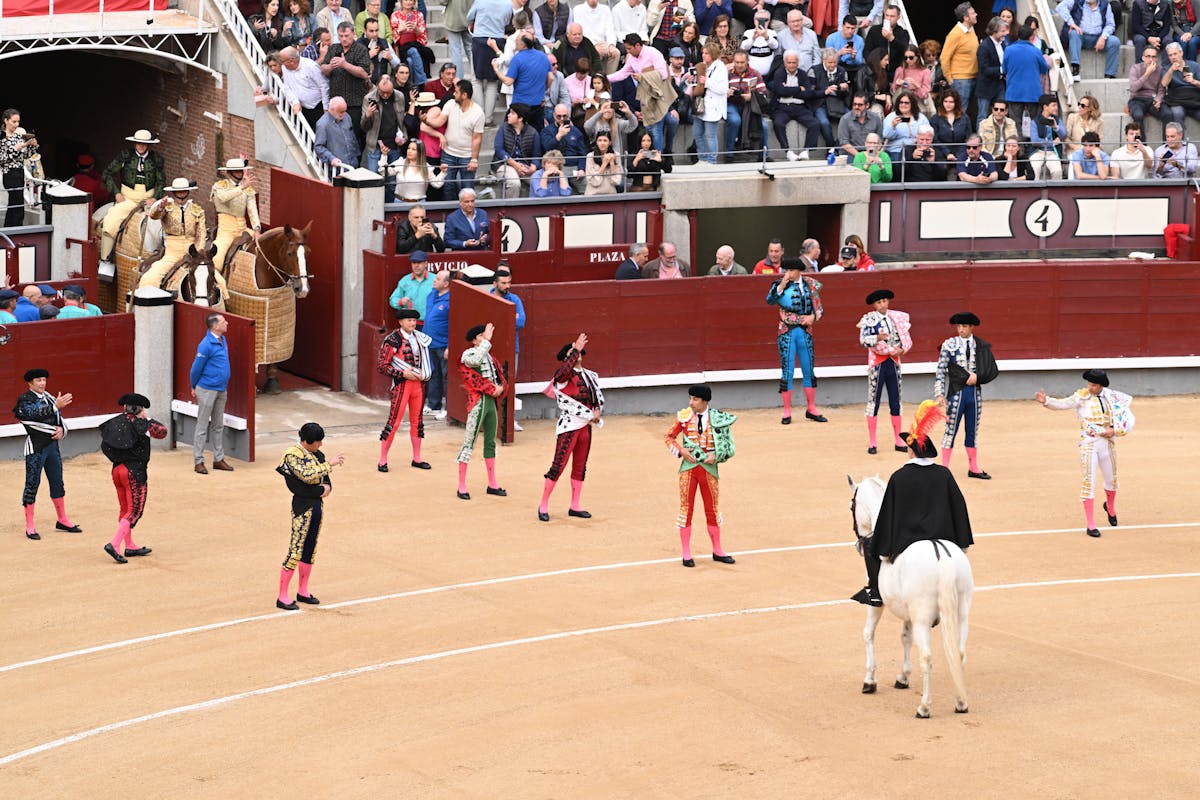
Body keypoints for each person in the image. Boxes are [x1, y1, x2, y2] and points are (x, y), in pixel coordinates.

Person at [850, 399, 974, 607]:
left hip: (907, 541)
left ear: (911, 450)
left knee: (870, 544)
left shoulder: (900, 477)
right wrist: (961, 543)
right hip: (945, 538)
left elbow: (889, 516)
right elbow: (959, 508)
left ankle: (875, 592)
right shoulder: (943, 474)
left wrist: (882, 547)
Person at [1036, 369, 1133, 538]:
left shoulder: (1113, 397)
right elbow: (1063, 404)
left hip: (1108, 443)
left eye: (1093, 385)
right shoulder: (1081, 396)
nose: (1089, 387)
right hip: (1088, 442)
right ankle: (1091, 524)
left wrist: (1116, 430)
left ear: (1101, 385)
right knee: (1088, 481)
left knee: (1112, 480)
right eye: (1088, 384)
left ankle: (1110, 506)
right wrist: (1047, 401)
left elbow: (1125, 416)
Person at [663, 384, 737, 568]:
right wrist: (680, 450)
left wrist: (717, 455)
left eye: (695, 399)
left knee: (712, 509)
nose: (691, 402)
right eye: (690, 398)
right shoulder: (684, 417)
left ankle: (717, 550)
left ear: (705, 401)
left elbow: (729, 446)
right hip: (688, 469)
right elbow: (668, 437)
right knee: (686, 509)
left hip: (709, 470)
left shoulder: (719, 419)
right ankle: (686, 554)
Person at [275, 422, 345, 609]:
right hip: (302, 506)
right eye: (318, 442)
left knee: (310, 548)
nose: (320, 445)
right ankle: (282, 596)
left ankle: (303, 591)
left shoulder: (317, 454)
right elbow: (304, 479)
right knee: (296, 549)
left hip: (316, 506)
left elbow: (326, 484)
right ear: (307, 441)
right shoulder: (291, 455)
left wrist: (324, 487)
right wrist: (326, 470)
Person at [537, 333, 605, 521]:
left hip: (586, 427)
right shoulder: (563, 377)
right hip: (569, 427)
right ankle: (543, 505)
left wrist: (597, 411)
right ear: (567, 358)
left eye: (579, 352)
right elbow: (562, 373)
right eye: (573, 353)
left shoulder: (590, 375)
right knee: (558, 466)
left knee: (580, 466)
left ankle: (575, 505)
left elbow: (596, 397)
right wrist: (574, 350)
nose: (578, 354)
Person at [99, 392, 168, 564]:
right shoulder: (142, 425)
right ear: (140, 409)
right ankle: (114, 544)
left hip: (117, 470)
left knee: (124, 510)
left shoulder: (114, 422)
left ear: (124, 408)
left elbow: (105, 446)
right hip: (134, 472)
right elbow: (162, 432)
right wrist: (146, 419)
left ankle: (129, 545)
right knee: (134, 511)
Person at [14, 368, 81, 540]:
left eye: (44, 380)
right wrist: (54, 410)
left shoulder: (50, 397)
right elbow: (30, 417)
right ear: (30, 383)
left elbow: (60, 419)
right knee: (32, 484)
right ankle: (30, 526)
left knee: (57, 481)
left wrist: (62, 430)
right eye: (38, 380)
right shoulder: (25, 399)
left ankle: (62, 519)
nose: (42, 383)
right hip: (35, 448)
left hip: (52, 447)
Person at [767, 258, 826, 424]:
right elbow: (770, 300)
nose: (787, 274)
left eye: (790, 271)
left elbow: (819, 308)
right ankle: (787, 411)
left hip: (806, 331)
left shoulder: (810, 284)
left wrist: (813, 317)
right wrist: (781, 286)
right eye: (785, 270)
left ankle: (811, 408)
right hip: (787, 331)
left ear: (798, 271)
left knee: (808, 369)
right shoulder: (779, 285)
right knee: (788, 370)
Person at [934, 311, 992, 478]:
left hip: (974, 394)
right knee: (950, 430)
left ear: (971, 327)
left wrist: (978, 377)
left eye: (964, 326)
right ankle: (944, 469)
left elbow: (988, 369)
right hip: (956, 394)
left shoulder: (980, 346)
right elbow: (940, 371)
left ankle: (973, 467)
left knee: (972, 430)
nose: (960, 330)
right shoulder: (948, 345)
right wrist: (939, 394)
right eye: (958, 326)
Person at [377, 308, 433, 472]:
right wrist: (402, 373)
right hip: (402, 385)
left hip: (418, 385)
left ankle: (417, 458)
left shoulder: (419, 338)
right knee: (394, 422)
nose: (412, 323)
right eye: (409, 320)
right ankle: (382, 460)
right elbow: (382, 366)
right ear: (401, 322)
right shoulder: (392, 340)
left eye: (414, 321)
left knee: (418, 422)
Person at [99, 129, 166, 266]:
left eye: (144, 144)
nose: (141, 146)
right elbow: (107, 174)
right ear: (134, 143)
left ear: (149, 145)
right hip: (128, 198)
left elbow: (161, 182)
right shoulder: (125, 156)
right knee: (111, 221)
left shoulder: (156, 159)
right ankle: (105, 260)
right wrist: (117, 193)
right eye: (138, 143)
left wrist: (155, 197)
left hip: (149, 200)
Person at [457, 322, 508, 499]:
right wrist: (486, 341)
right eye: (480, 337)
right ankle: (462, 486)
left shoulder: (489, 356)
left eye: (483, 336)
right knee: (469, 441)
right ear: (474, 340)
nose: (484, 339)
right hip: (478, 401)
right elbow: (475, 361)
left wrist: (500, 387)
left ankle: (492, 484)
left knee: (490, 442)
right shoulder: (468, 354)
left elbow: (496, 375)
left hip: (491, 401)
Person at [856, 289, 911, 454]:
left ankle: (898, 440)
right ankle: (873, 442)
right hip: (877, 365)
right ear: (874, 305)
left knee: (896, 401)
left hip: (893, 363)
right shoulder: (869, 319)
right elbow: (863, 340)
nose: (882, 305)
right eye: (879, 302)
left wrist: (902, 350)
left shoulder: (897, 318)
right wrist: (878, 338)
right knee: (874, 402)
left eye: (884, 301)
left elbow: (906, 339)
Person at [140, 177, 208, 289]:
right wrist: (160, 207)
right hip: (171, 254)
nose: (181, 194)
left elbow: (201, 234)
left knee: (219, 281)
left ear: (188, 192)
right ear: (173, 192)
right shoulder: (166, 207)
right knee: (151, 277)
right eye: (178, 192)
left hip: (193, 253)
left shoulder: (197, 210)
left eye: (184, 191)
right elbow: (154, 216)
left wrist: (197, 253)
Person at [190, 312, 234, 475]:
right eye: (223, 321)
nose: (227, 323)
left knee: (218, 424)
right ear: (215, 326)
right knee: (202, 425)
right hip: (207, 389)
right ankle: (198, 461)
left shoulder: (222, 340)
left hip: (221, 388)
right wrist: (193, 385)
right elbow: (195, 368)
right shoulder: (206, 344)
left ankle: (218, 459)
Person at [320, 22, 373, 152]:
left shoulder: (360, 49)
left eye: (347, 35)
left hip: (354, 102)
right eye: (341, 36)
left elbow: (364, 73)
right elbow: (323, 68)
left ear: (353, 34)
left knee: (354, 135)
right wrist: (331, 67)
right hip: (336, 102)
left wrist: (345, 64)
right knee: (336, 136)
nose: (343, 39)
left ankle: (356, 164)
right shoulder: (333, 49)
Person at [768, 50, 822, 160]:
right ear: (785, 63)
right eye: (789, 62)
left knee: (815, 124)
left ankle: (806, 151)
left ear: (798, 63)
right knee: (778, 123)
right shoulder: (779, 73)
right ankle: (788, 152)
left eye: (794, 62)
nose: (792, 65)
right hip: (783, 107)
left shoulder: (802, 74)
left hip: (800, 107)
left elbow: (808, 93)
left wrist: (788, 90)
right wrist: (798, 89)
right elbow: (780, 91)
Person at [1054, 0, 1119, 80]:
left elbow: (1110, 24)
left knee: (1114, 41)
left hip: (1098, 38)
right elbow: (1060, 7)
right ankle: (1075, 69)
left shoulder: (1105, 5)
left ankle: (1109, 75)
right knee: (1074, 33)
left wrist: (1103, 37)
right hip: (1081, 36)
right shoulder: (1077, 1)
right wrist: (1071, 23)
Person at [1002, 24, 1050, 130]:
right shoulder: (1036, 51)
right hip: (1033, 92)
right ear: (1031, 36)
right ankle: (1033, 144)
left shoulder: (1009, 50)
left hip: (1014, 92)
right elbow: (1044, 69)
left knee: (1015, 124)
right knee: (1034, 123)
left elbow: (1004, 69)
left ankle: (1018, 146)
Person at [691, 41, 729, 164]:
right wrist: (691, 80)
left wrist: (707, 82)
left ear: (713, 54)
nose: (703, 55)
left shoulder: (721, 68)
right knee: (697, 133)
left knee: (710, 135)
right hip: (700, 104)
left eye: (706, 53)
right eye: (703, 53)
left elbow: (723, 89)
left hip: (713, 107)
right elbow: (697, 85)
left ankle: (712, 161)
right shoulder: (702, 66)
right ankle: (702, 158)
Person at [424, 269, 451, 419]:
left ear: (446, 283)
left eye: (438, 279)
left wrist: (450, 346)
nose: (434, 280)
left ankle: (449, 408)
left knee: (446, 376)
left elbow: (454, 325)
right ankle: (434, 405)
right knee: (434, 374)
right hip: (430, 343)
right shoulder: (432, 295)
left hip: (443, 345)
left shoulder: (451, 300)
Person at [2, 109, 37, 227]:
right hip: (9, 173)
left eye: (18, 122)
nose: (16, 125)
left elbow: (25, 155)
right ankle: (16, 232)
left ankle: (9, 230)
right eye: (13, 122)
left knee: (14, 204)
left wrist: (32, 146)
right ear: (6, 121)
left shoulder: (18, 136)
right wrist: (17, 149)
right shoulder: (2, 137)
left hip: (19, 172)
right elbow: (2, 158)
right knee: (17, 205)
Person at [941, 2, 979, 109]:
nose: (976, 14)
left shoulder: (971, 29)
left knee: (968, 111)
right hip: (960, 80)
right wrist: (949, 79)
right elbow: (944, 57)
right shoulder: (955, 34)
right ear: (966, 18)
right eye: (973, 13)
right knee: (960, 111)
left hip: (973, 77)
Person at [974, 16, 1008, 128]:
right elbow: (984, 69)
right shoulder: (984, 47)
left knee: (1002, 114)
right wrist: (1002, 70)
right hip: (986, 86)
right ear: (994, 31)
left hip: (1000, 85)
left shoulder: (1003, 44)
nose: (1005, 34)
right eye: (1002, 31)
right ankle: (980, 142)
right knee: (983, 116)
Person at [1127, 45, 1166, 132]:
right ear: (1143, 58)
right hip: (1137, 99)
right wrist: (1147, 74)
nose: (1151, 59)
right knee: (1138, 115)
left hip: (1152, 99)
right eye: (1148, 56)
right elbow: (1133, 88)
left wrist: (1158, 99)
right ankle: (1142, 144)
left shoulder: (1160, 70)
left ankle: (1166, 144)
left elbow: (1161, 89)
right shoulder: (1135, 68)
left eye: (1153, 57)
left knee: (1168, 114)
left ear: (1156, 59)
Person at [315, 96, 361, 169]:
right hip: (338, 167)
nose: (343, 114)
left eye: (344, 111)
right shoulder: (322, 124)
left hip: (353, 162)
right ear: (332, 109)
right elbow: (319, 147)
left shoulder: (347, 117)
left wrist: (357, 155)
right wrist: (331, 158)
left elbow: (352, 137)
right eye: (340, 112)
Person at [1029, 93, 1067, 180]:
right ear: (1045, 107)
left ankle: (1056, 192)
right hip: (1037, 152)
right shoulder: (1035, 121)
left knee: (1057, 171)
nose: (1056, 108)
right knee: (1034, 169)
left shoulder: (1057, 119)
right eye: (1053, 105)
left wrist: (1056, 127)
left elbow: (1064, 135)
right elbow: (1035, 141)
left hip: (1053, 152)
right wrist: (1052, 143)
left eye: (1056, 105)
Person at [389, 248, 435, 317]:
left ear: (426, 264)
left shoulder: (435, 279)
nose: (416, 265)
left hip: (429, 322)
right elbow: (393, 299)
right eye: (414, 263)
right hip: (410, 322)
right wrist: (400, 302)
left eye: (419, 263)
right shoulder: (405, 280)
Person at [838, 91, 884, 158]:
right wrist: (861, 157)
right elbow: (844, 143)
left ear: (867, 105)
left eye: (860, 105)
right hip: (850, 154)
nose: (856, 107)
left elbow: (880, 140)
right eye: (854, 104)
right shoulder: (845, 119)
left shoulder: (875, 119)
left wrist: (871, 155)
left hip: (870, 152)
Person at [585, 131, 624, 195]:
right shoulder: (590, 156)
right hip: (593, 194)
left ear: (610, 142)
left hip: (610, 194)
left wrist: (612, 163)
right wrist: (604, 164)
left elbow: (616, 181)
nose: (602, 143)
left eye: (605, 140)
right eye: (599, 140)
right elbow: (594, 182)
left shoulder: (616, 155)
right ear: (596, 142)